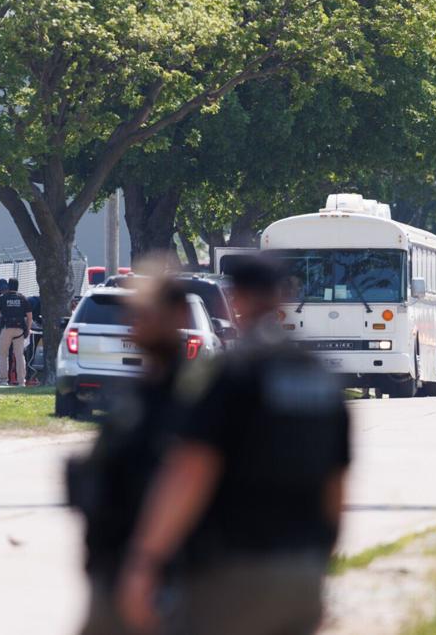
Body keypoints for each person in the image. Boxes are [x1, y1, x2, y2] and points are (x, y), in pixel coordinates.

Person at [118, 255, 350, 635]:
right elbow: (336, 487)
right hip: (301, 570)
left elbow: (193, 468)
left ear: (236, 300)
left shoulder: (232, 373)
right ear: (283, 299)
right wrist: (319, 563)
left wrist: (147, 559)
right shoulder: (321, 379)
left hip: (236, 566)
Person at [68, 277, 194, 635]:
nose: (136, 324)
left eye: (148, 314)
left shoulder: (199, 398)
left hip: (173, 568)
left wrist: (146, 562)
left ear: (177, 316)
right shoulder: (133, 397)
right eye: (135, 315)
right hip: (113, 564)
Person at [0, 277, 33, 387]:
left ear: (8, 286)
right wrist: (28, 329)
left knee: (3, 355)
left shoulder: (3, 298)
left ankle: (3, 380)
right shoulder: (22, 298)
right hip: (19, 329)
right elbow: (30, 316)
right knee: (19, 355)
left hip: (6, 328)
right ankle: (22, 381)